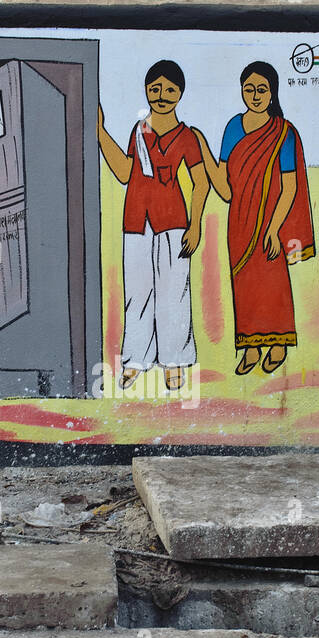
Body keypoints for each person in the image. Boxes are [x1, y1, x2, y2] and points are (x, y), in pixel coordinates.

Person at [194, 61, 315, 375]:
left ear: (272, 92)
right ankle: (249, 346)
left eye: (262, 89)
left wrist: (274, 229)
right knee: (243, 283)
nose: (255, 95)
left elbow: (290, 186)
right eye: (249, 89)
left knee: (273, 284)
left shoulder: (283, 133)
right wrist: (203, 150)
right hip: (239, 223)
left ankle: (277, 344)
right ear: (241, 91)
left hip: (269, 223)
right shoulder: (234, 127)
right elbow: (225, 187)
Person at [98, 60, 209, 392]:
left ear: (180, 94)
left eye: (169, 89)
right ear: (147, 91)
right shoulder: (139, 131)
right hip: (135, 221)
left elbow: (200, 183)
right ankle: (135, 361)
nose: (162, 95)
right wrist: (100, 131)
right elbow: (123, 172)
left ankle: (174, 362)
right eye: (155, 88)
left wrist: (196, 225)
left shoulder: (186, 136)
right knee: (137, 294)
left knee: (175, 293)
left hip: (174, 222)